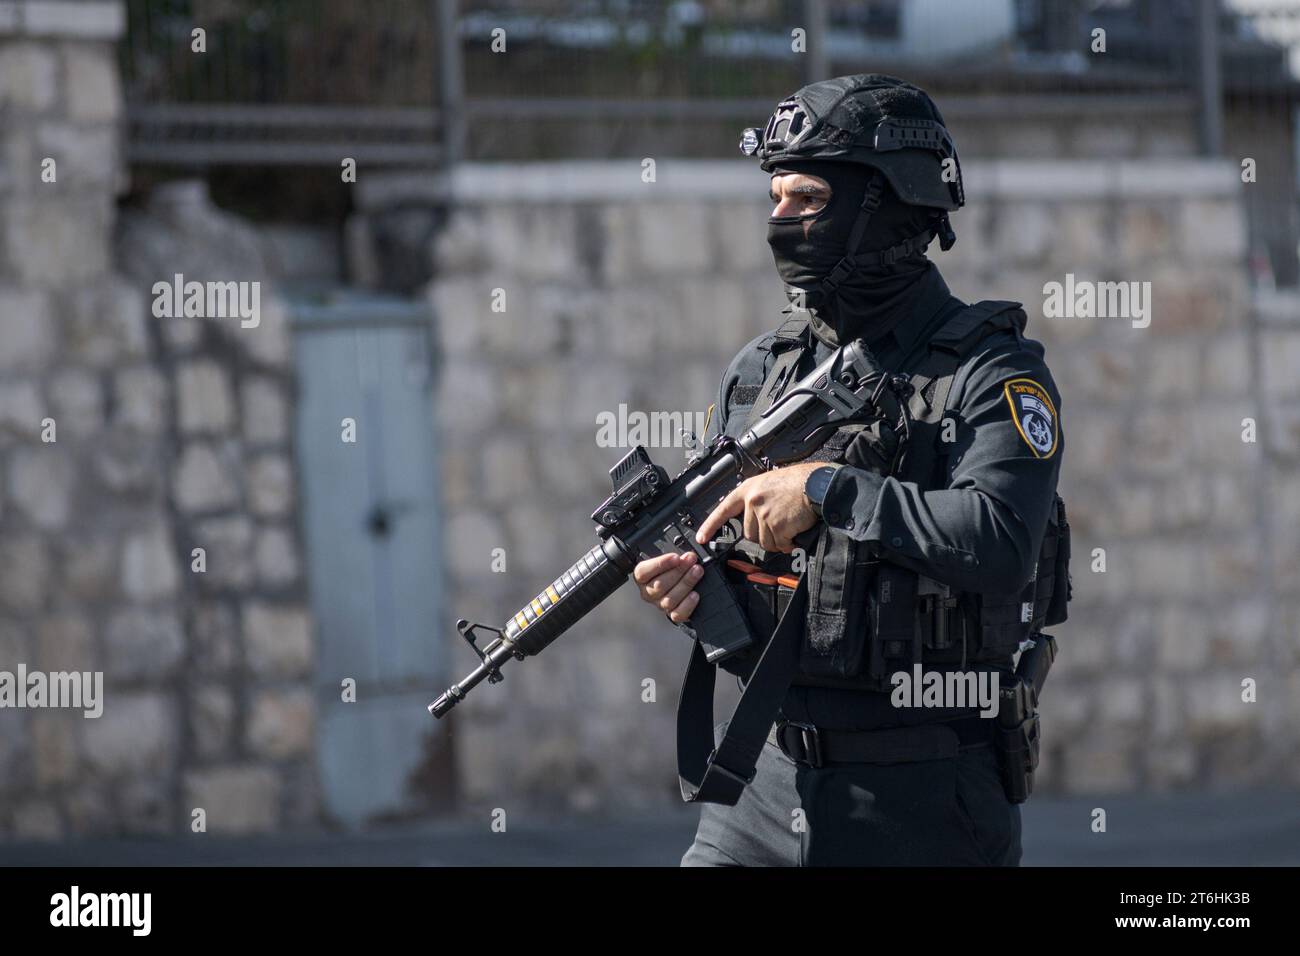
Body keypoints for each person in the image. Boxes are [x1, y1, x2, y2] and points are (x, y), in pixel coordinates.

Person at [631, 75, 1067, 866]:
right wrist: (691, 587)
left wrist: (827, 489)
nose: (781, 221)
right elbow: (736, 557)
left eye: (806, 198)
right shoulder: (762, 371)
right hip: (763, 782)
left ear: (888, 205)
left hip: (923, 797)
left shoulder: (989, 372)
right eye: (775, 198)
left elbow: (1000, 538)